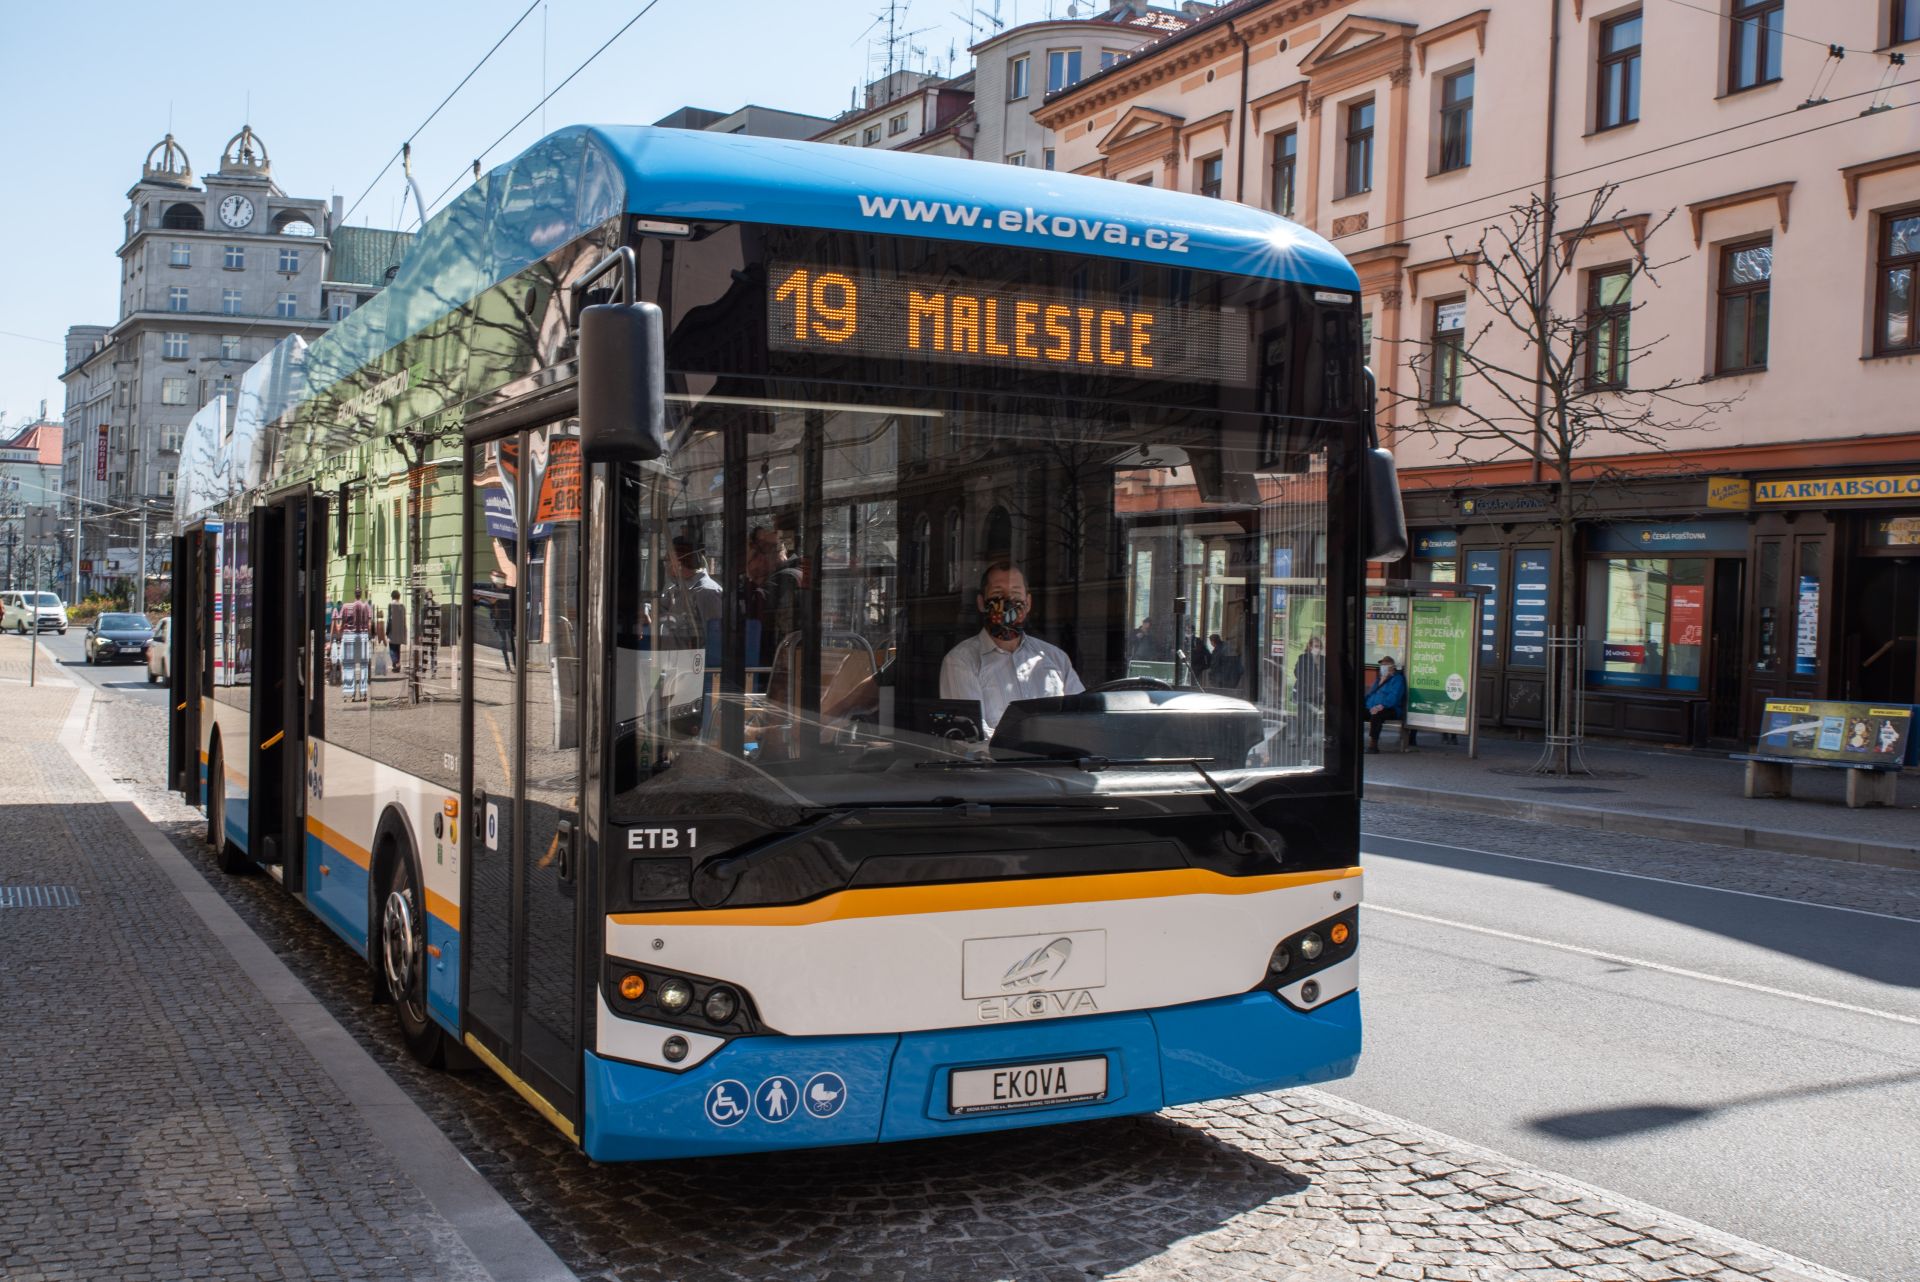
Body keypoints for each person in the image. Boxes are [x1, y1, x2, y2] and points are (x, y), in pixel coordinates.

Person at [939, 561, 1084, 738]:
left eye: (1015, 594)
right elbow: (972, 736)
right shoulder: (961, 661)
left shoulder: (1055, 658)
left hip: (1057, 763)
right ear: (981, 603)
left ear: (1028, 603)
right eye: (997, 593)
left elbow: (1083, 718)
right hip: (1001, 765)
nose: (1008, 602)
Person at [662, 537, 724, 665]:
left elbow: (715, 642)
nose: (665, 565)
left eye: (667, 560)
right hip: (669, 666)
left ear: (678, 562)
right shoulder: (676, 590)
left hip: (690, 671)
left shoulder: (707, 592)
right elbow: (659, 608)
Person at [1362, 654, 1413, 753]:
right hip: (1372, 707)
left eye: (1385, 665)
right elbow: (1370, 694)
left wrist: (1382, 706)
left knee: (1377, 715)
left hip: (1390, 708)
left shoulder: (1398, 679)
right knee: (1356, 713)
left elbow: (1394, 697)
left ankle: (1373, 745)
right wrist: (1366, 705)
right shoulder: (1379, 679)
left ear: (1391, 667)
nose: (1383, 667)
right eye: (1382, 665)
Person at [337, 588, 375, 701]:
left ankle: (349, 694)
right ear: (361, 594)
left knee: (349, 665)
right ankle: (363, 693)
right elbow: (368, 625)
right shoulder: (366, 607)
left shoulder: (345, 607)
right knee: (363, 665)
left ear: (354, 594)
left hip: (349, 637)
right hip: (362, 637)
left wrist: (340, 632)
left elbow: (341, 624)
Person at [1292, 634, 1325, 718]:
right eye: (1316, 646)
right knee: (1302, 718)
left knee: (1313, 719)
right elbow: (1297, 673)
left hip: (1317, 694)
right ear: (1310, 647)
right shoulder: (1303, 658)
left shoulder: (1323, 659)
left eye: (1319, 646)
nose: (1318, 648)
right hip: (1304, 693)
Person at [385, 590, 408, 674]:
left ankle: (396, 662)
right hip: (400, 630)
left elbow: (389, 619)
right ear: (399, 597)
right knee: (397, 648)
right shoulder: (402, 606)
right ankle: (396, 665)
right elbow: (404, 619)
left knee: (391, 648)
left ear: (392, 596)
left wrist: (387, 631)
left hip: (392, 630)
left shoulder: (391, 605)